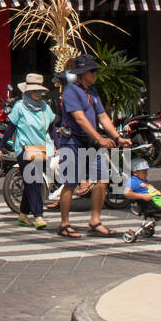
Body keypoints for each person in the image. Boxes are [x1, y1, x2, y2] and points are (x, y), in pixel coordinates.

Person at [56, 52, 131, 239]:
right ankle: (64, 224)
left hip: (90, 143)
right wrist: (100, 139)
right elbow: (80, 119)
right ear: (82, 73)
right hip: (72, 141)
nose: (95, 74)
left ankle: (95, 221)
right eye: (92, 71)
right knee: (70, 184)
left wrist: (116, 136)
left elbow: (103, 116)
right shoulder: (71, 91)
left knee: (102, 179)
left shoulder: (93, 92)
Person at [0, 73, 56, 229]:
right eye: (34, 90)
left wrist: (58, 145)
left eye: (39, 91)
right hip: (24, 149)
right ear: (27, 91)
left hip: (41, 149)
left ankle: (23, 215)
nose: (37, 93)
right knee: (33, 182)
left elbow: (52, 127)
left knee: (32, 183)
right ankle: (38, 215)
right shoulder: (19, 107)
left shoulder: (45, 107)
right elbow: (11, 128)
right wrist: (0, 148)